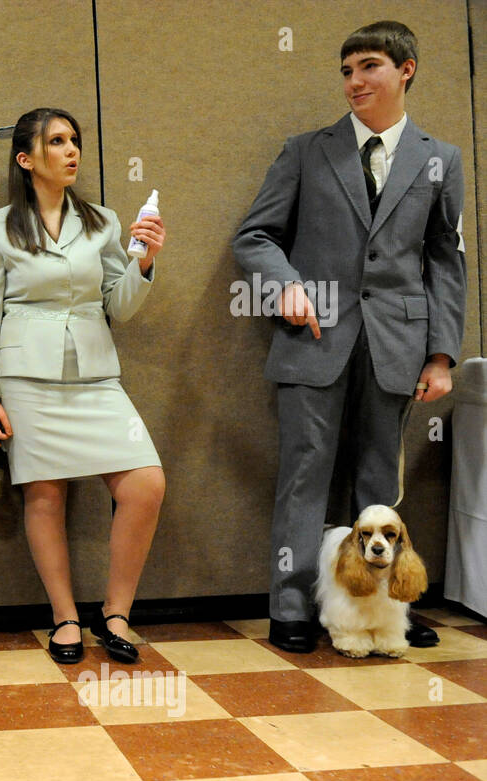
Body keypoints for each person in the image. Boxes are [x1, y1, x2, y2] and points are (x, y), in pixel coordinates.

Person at [233, 21, 464, 653]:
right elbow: (254, 236)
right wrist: (282, 283)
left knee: (378, 485)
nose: (354, 82)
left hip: (398, 346)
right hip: (312, 339)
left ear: (405, 69)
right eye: (345, 71)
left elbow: (446, 259)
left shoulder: (441, 158)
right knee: (304, 478)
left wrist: (441, 353)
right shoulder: (306, 150)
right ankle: (291, 606)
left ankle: (388, 612)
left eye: (367, 67)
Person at [0, 108, 167, 665]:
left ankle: (117, 613)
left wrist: (145, 261)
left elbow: (119, 307)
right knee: (45, 494)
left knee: (145, 484)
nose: (71, 150)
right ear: (27, 159)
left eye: (74, 140)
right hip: (25, 377)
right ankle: (64, 618)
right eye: (57, 142)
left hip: (96, 373)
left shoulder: (102, 221)